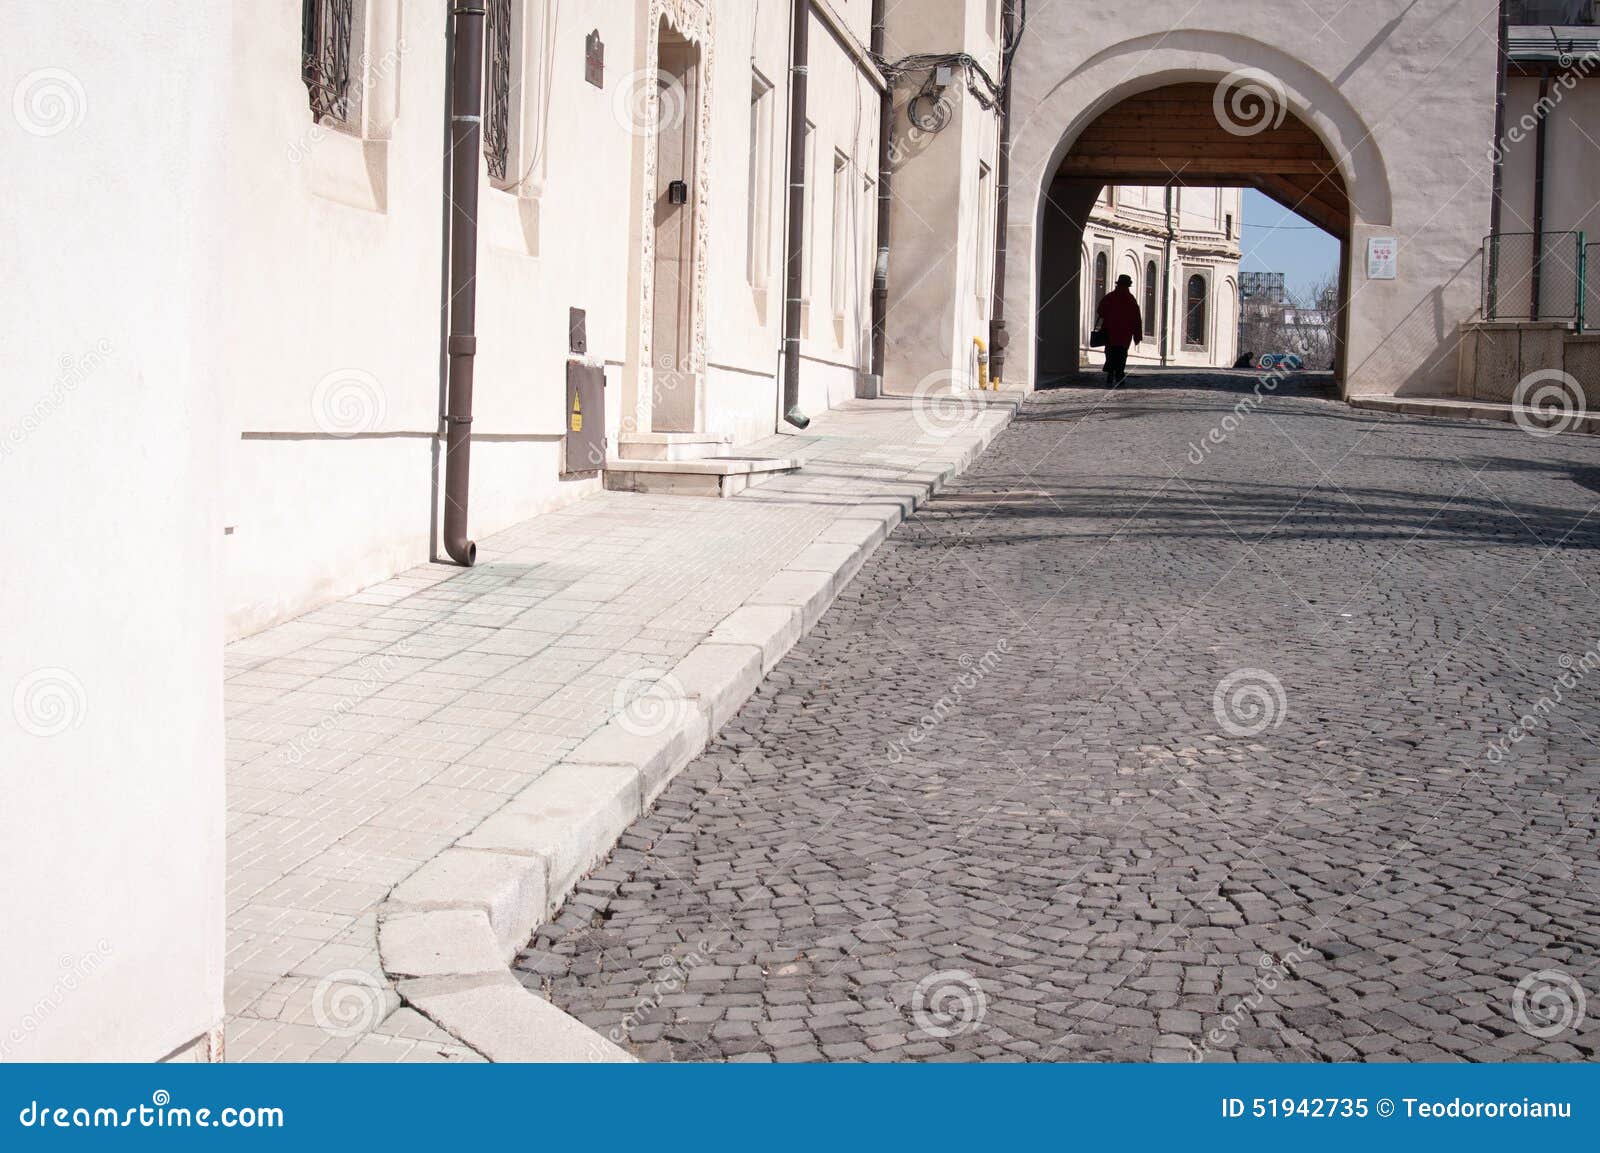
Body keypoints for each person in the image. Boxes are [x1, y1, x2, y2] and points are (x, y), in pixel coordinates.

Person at [1096, 273, 1143, 387]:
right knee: (1121, 354)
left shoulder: (1110, 297)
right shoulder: (1131, 299)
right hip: (1124, 334)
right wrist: (1137, 335)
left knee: (1110, 353)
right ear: (1128, 286)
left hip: (1110, 331)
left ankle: (1110, 374)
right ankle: (1119, 375)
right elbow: (1136, 319)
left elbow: (1100, 311)